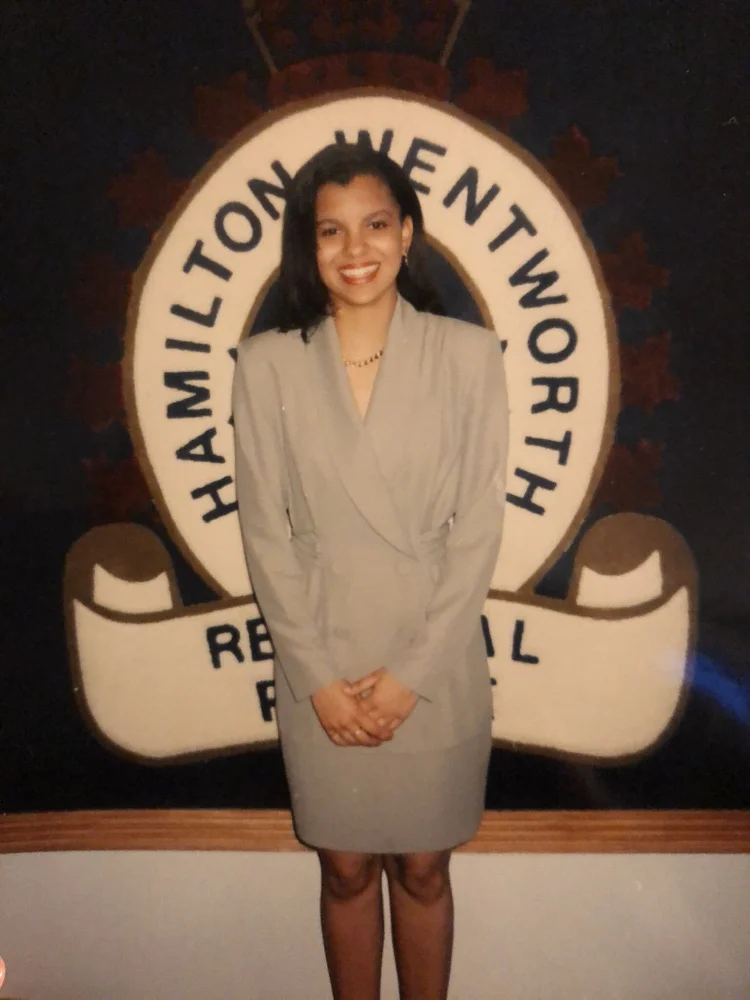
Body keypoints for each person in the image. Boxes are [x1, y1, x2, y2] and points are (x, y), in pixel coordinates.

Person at [232, 142, 509, 1000]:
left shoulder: (468, 355)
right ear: (307, 248)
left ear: (409, 233)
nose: (356, 250)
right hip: (321, 660)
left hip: (435, 662)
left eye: (376, 225)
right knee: (346, 872)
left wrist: (410, 680)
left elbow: (479, 536)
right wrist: (317, 679)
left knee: (423, 870)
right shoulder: (267, 364)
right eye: (331, 231)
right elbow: (264, 538)